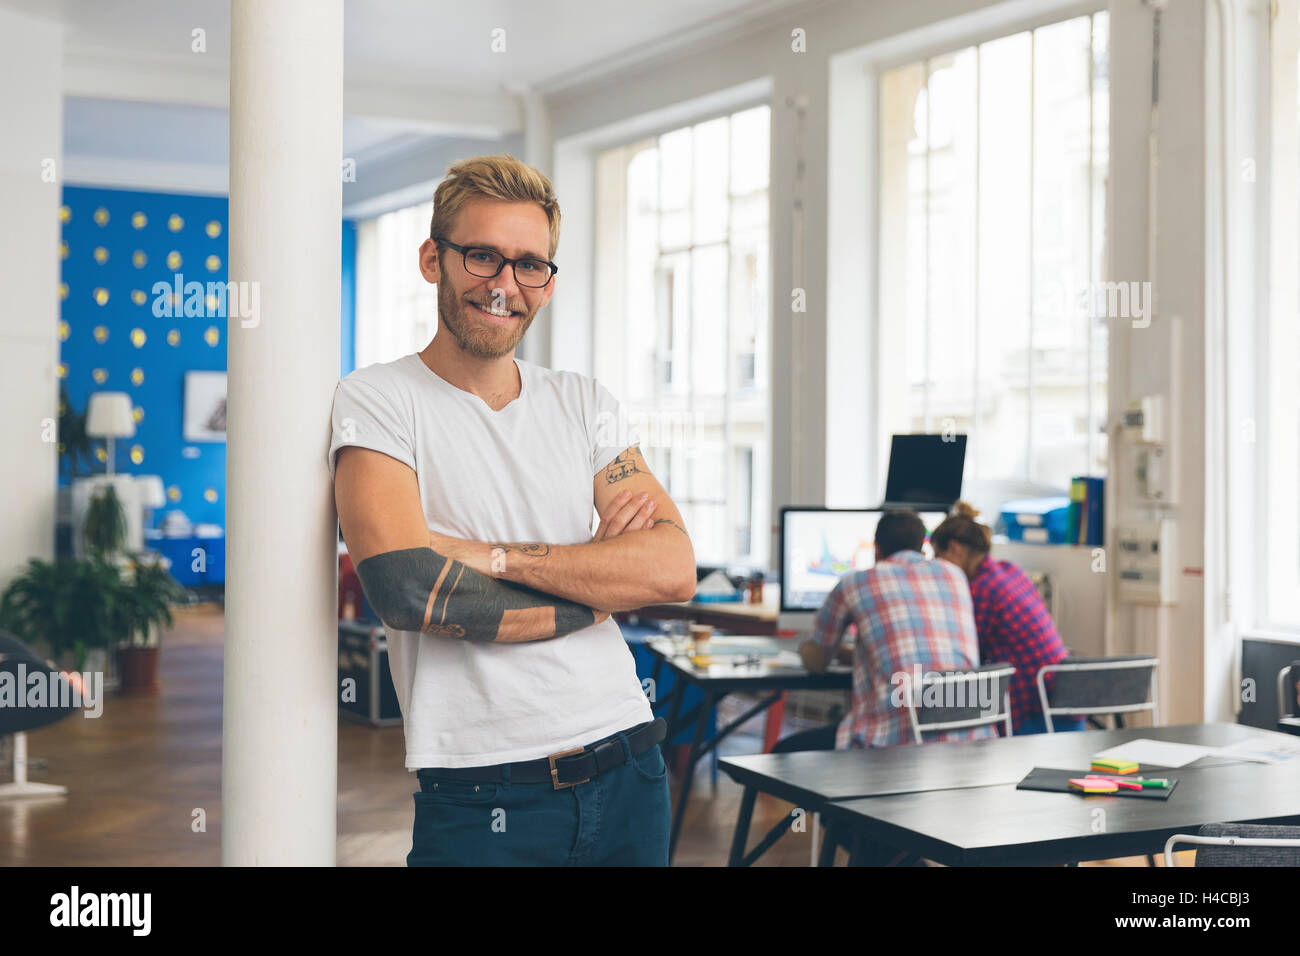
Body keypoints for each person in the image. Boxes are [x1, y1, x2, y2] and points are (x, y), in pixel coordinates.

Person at [329, 154, 697, 866]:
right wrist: (596, 593)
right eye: (483, 257)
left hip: (630, 766)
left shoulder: (585, 403)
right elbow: (409, 589)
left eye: (530, 265)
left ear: (549, 282)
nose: (505, 286)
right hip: (481, 794)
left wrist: (490, 556)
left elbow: (672, 568)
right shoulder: (377, 401)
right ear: (433, 259)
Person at [799, 510, 995, 749]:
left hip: (896, 744)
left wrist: (804, 648)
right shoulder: (954, 574)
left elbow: (817, 660)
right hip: (971, 739)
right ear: (922, 549)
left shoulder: (854, 583)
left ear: (877, 550)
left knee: (782, 754)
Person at [931, 501, 1085, 735]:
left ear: (955, 550)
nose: (936, 565)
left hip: (1034, 715)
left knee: (936, 705)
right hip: (1065, 703)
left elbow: (966, 657)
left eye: (938, 556)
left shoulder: (980, 590)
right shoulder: (1010, 571)